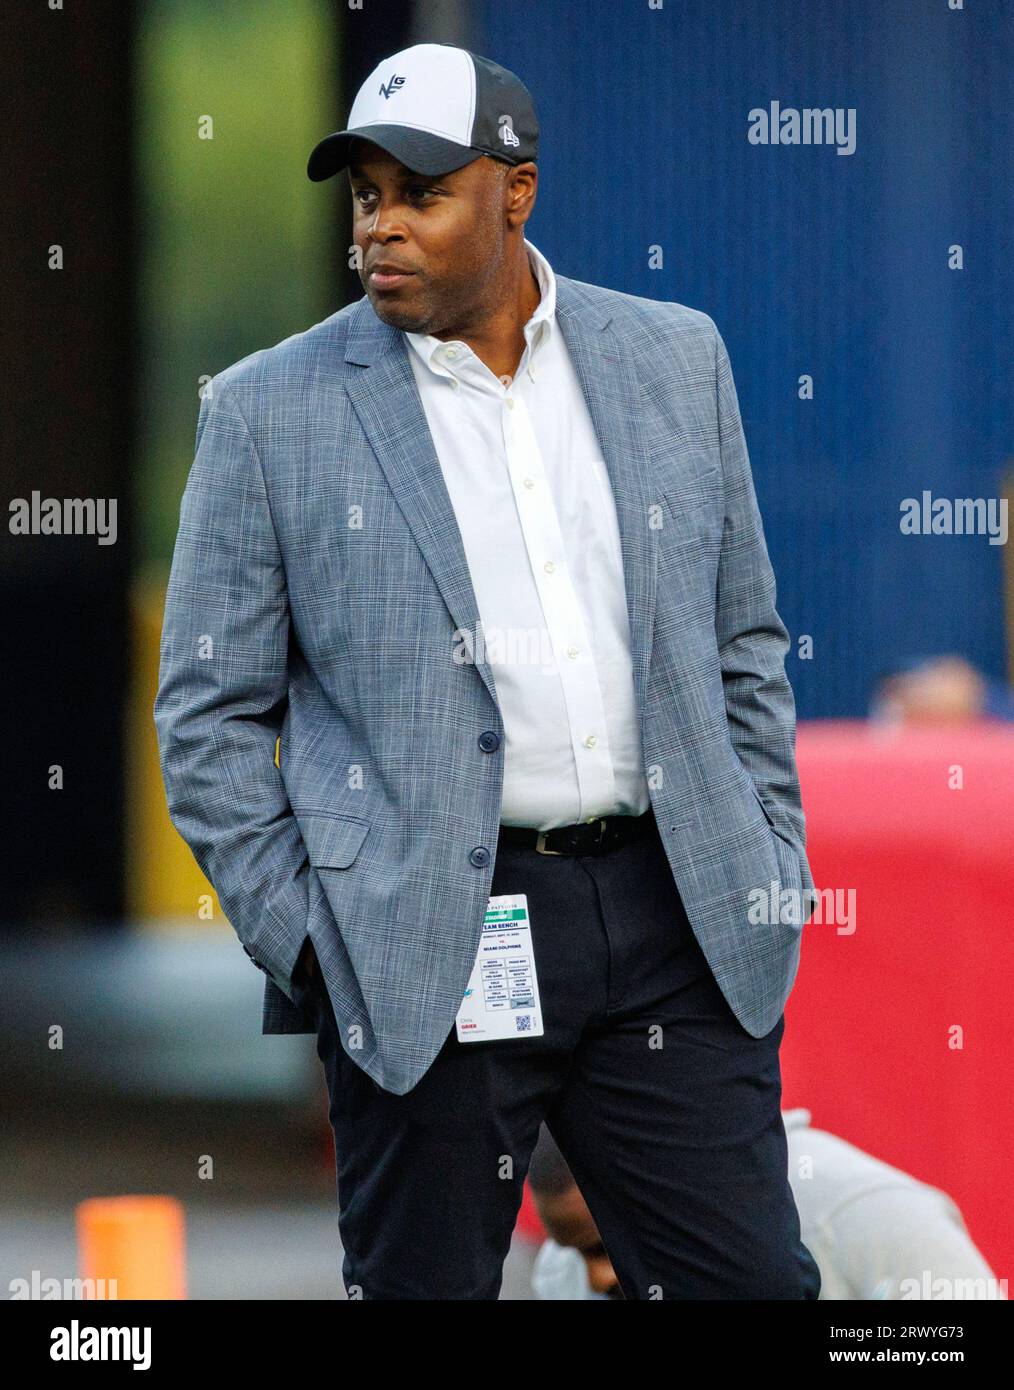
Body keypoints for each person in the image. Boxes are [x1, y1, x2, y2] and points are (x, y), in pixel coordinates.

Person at [154, 42, 820, 1300]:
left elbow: (744, 644)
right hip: (430, 937)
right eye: (364, 197)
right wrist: (316, 944)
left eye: (420, 191)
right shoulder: (268, 413)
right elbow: (206, 715)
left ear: (515, 193)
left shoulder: (676, 359)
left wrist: (769, 852)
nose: (381, 228)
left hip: (674, 914)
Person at [529, 1113, 1005, 1301]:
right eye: (577, 1251)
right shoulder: (562, 1274)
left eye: (604, 1246)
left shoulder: (859, 1215)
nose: (598, 1279)